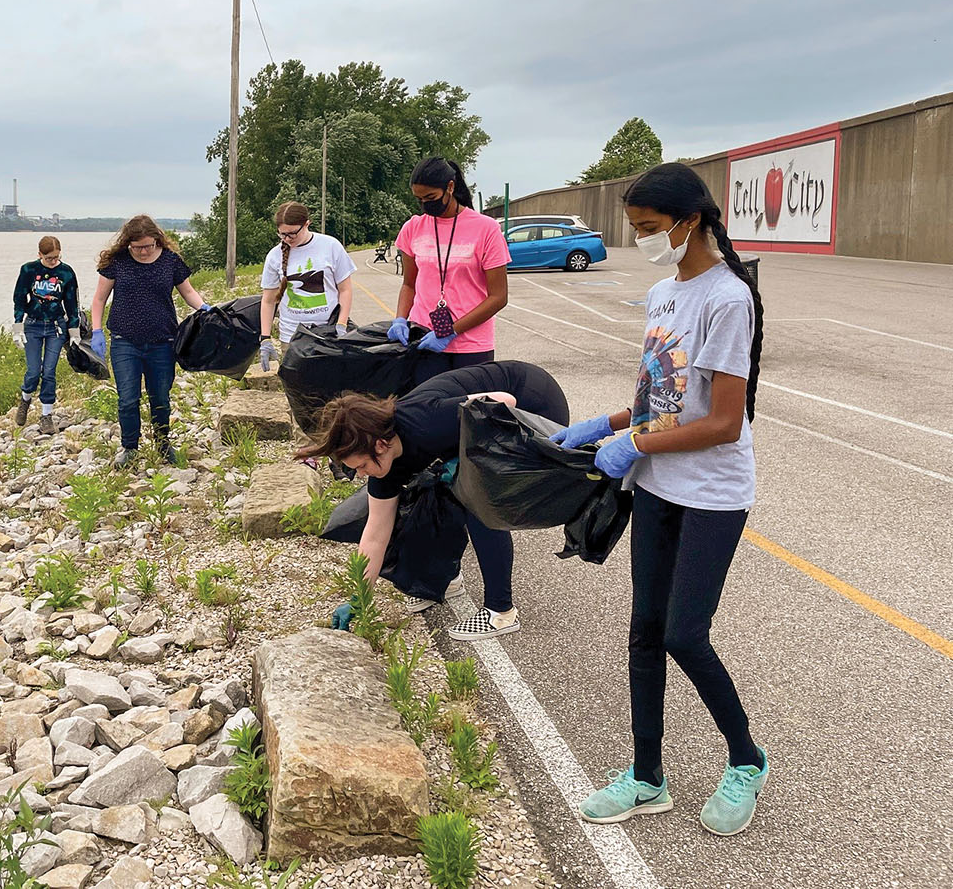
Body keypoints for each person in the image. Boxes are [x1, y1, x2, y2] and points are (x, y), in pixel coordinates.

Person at [551, 162, 768, 838]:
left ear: (690, 219)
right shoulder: (661, 294)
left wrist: (638, 443)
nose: (643, 238)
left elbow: (724, 420)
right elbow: (658, 397)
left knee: (683, 633)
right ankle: (648, 777)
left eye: (649, 228)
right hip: (657, 486)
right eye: (636, 228)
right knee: (644, 631)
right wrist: (608, 426)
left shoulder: (727, 298)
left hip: (711, 493)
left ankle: (747, 758)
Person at [297, 362, 569, 639]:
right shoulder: (385, 463)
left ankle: (500, 613)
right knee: (426, 499)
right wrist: (358, 598)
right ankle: (446, 579)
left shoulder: (428, 421)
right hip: (486, 422)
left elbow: (504, 401)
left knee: (477, 499)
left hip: (535, 403)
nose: (361, 474)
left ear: (380, 445)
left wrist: (466, 465)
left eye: (362, 466)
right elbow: (376, 533)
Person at [91, 215, 209, 469]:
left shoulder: (170, 261)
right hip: (125, 341)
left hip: (163, 341)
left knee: (161, 397)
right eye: (138, 247)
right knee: (127, 398)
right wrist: (97, 331)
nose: (144, 251)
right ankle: (129, 447)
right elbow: (99, 299)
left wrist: (204, 308)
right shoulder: (117, 262)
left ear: (157, 240)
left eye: (148, 246)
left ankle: (163, 442)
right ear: (128, 244)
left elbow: (187, 291)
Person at [390, 156, 510, 369]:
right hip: (424, 341)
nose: (426, 204)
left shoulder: (486, 229)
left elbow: (498, 297)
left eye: (431, 197)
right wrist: (400, 318)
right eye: (420, 200)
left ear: (450, 187)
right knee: (424, 402)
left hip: (471, 346)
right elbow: (409, 284)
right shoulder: (413, 228)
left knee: (468, 402)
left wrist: (451, 330)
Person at [258, 201, 356, 371]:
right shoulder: (274, 256)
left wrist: (341, 325)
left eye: (292, 234)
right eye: (282, 235)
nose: (287, 239)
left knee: (332, 391)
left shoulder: (330, 246)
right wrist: (265, 338)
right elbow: (268, 301)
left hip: (328, 334)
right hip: (292, 338)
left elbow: (345, 290)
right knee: (298, 392)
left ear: (306, 224)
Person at [12, 235, 80, 435]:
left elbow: (72, 303)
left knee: (49, 371)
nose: (53, 261)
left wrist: (73, 331)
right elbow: (19, 297)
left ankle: (46, 415)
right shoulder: (28, 270)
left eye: (57, 257)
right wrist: (18, 327)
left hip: (55, 327)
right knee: (34, 370)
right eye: (49, 258)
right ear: (39, 254)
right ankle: (25, 399)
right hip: (33, 325)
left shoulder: (66, 273)